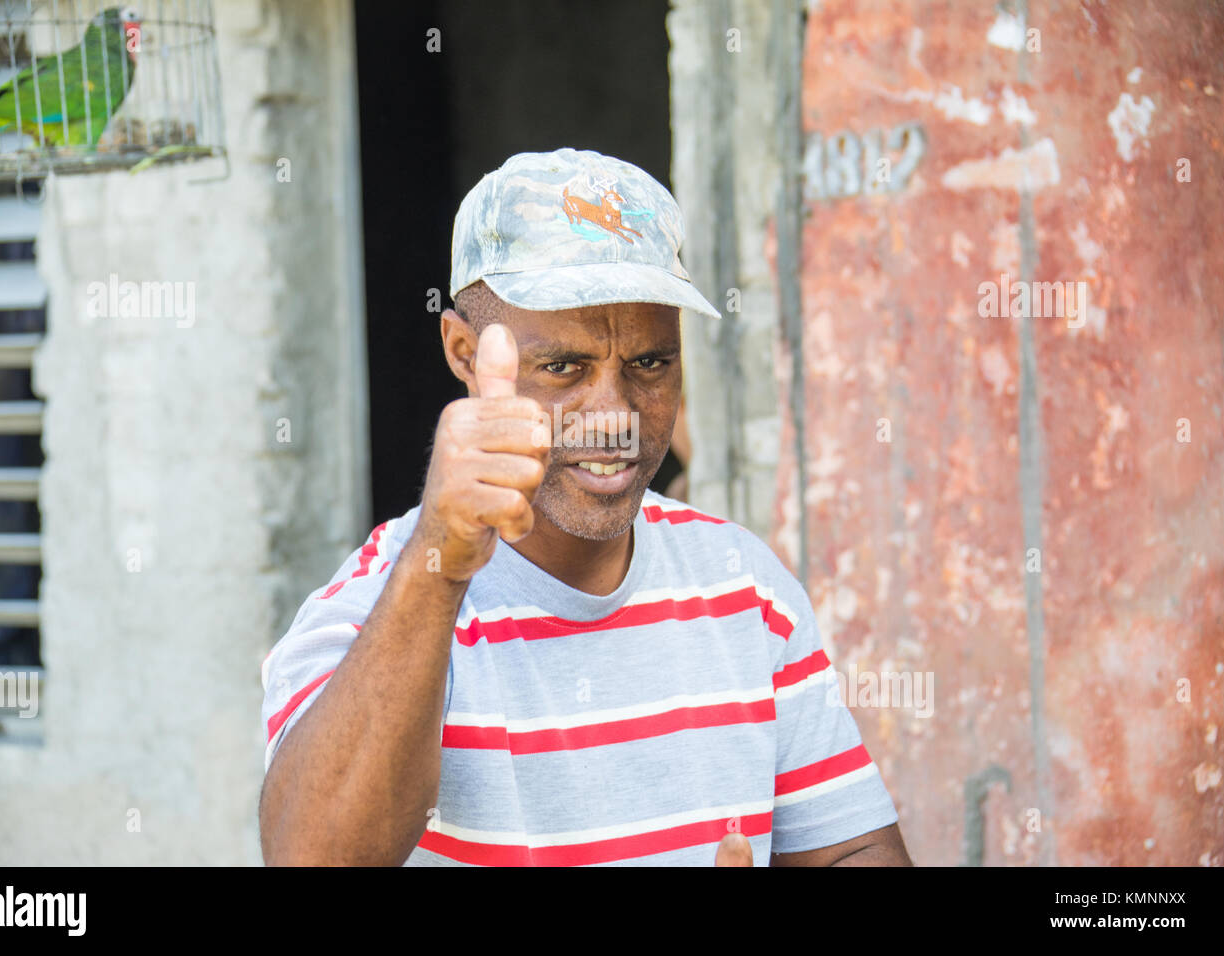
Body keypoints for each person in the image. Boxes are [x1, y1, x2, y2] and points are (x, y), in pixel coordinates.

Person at [258, 147, 912, 867]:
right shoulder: (378, 604)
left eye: (650, 364)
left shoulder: (745, 588)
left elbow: (855, 849)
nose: (613, 414)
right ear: (463, 352)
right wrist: (439, 571)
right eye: (563, 367)